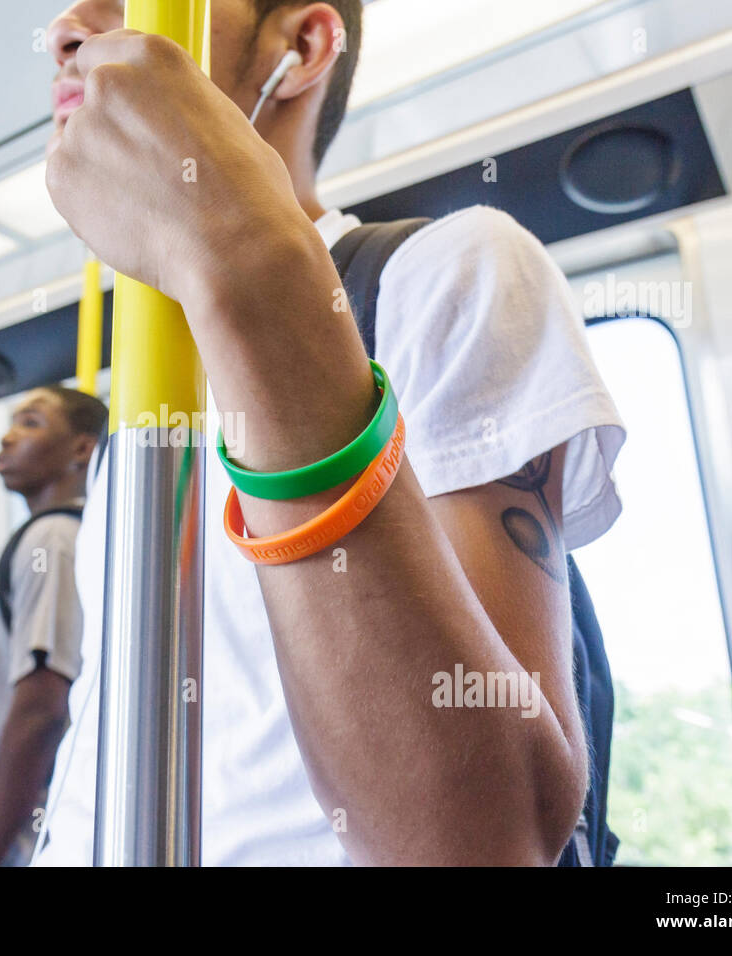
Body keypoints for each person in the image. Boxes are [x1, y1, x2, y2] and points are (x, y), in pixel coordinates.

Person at [34, 0, 626, 866]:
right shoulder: (141, 406)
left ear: (302, 45)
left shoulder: (445, 276)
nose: (68, 27)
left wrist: (237, 255)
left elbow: (484, 842)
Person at [0, 386, 107, 866]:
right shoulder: (77, 536)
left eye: (30, 422)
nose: (7, 438)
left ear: (82, 449)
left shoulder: (53, 540)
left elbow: (41, 709)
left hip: (29, 842)